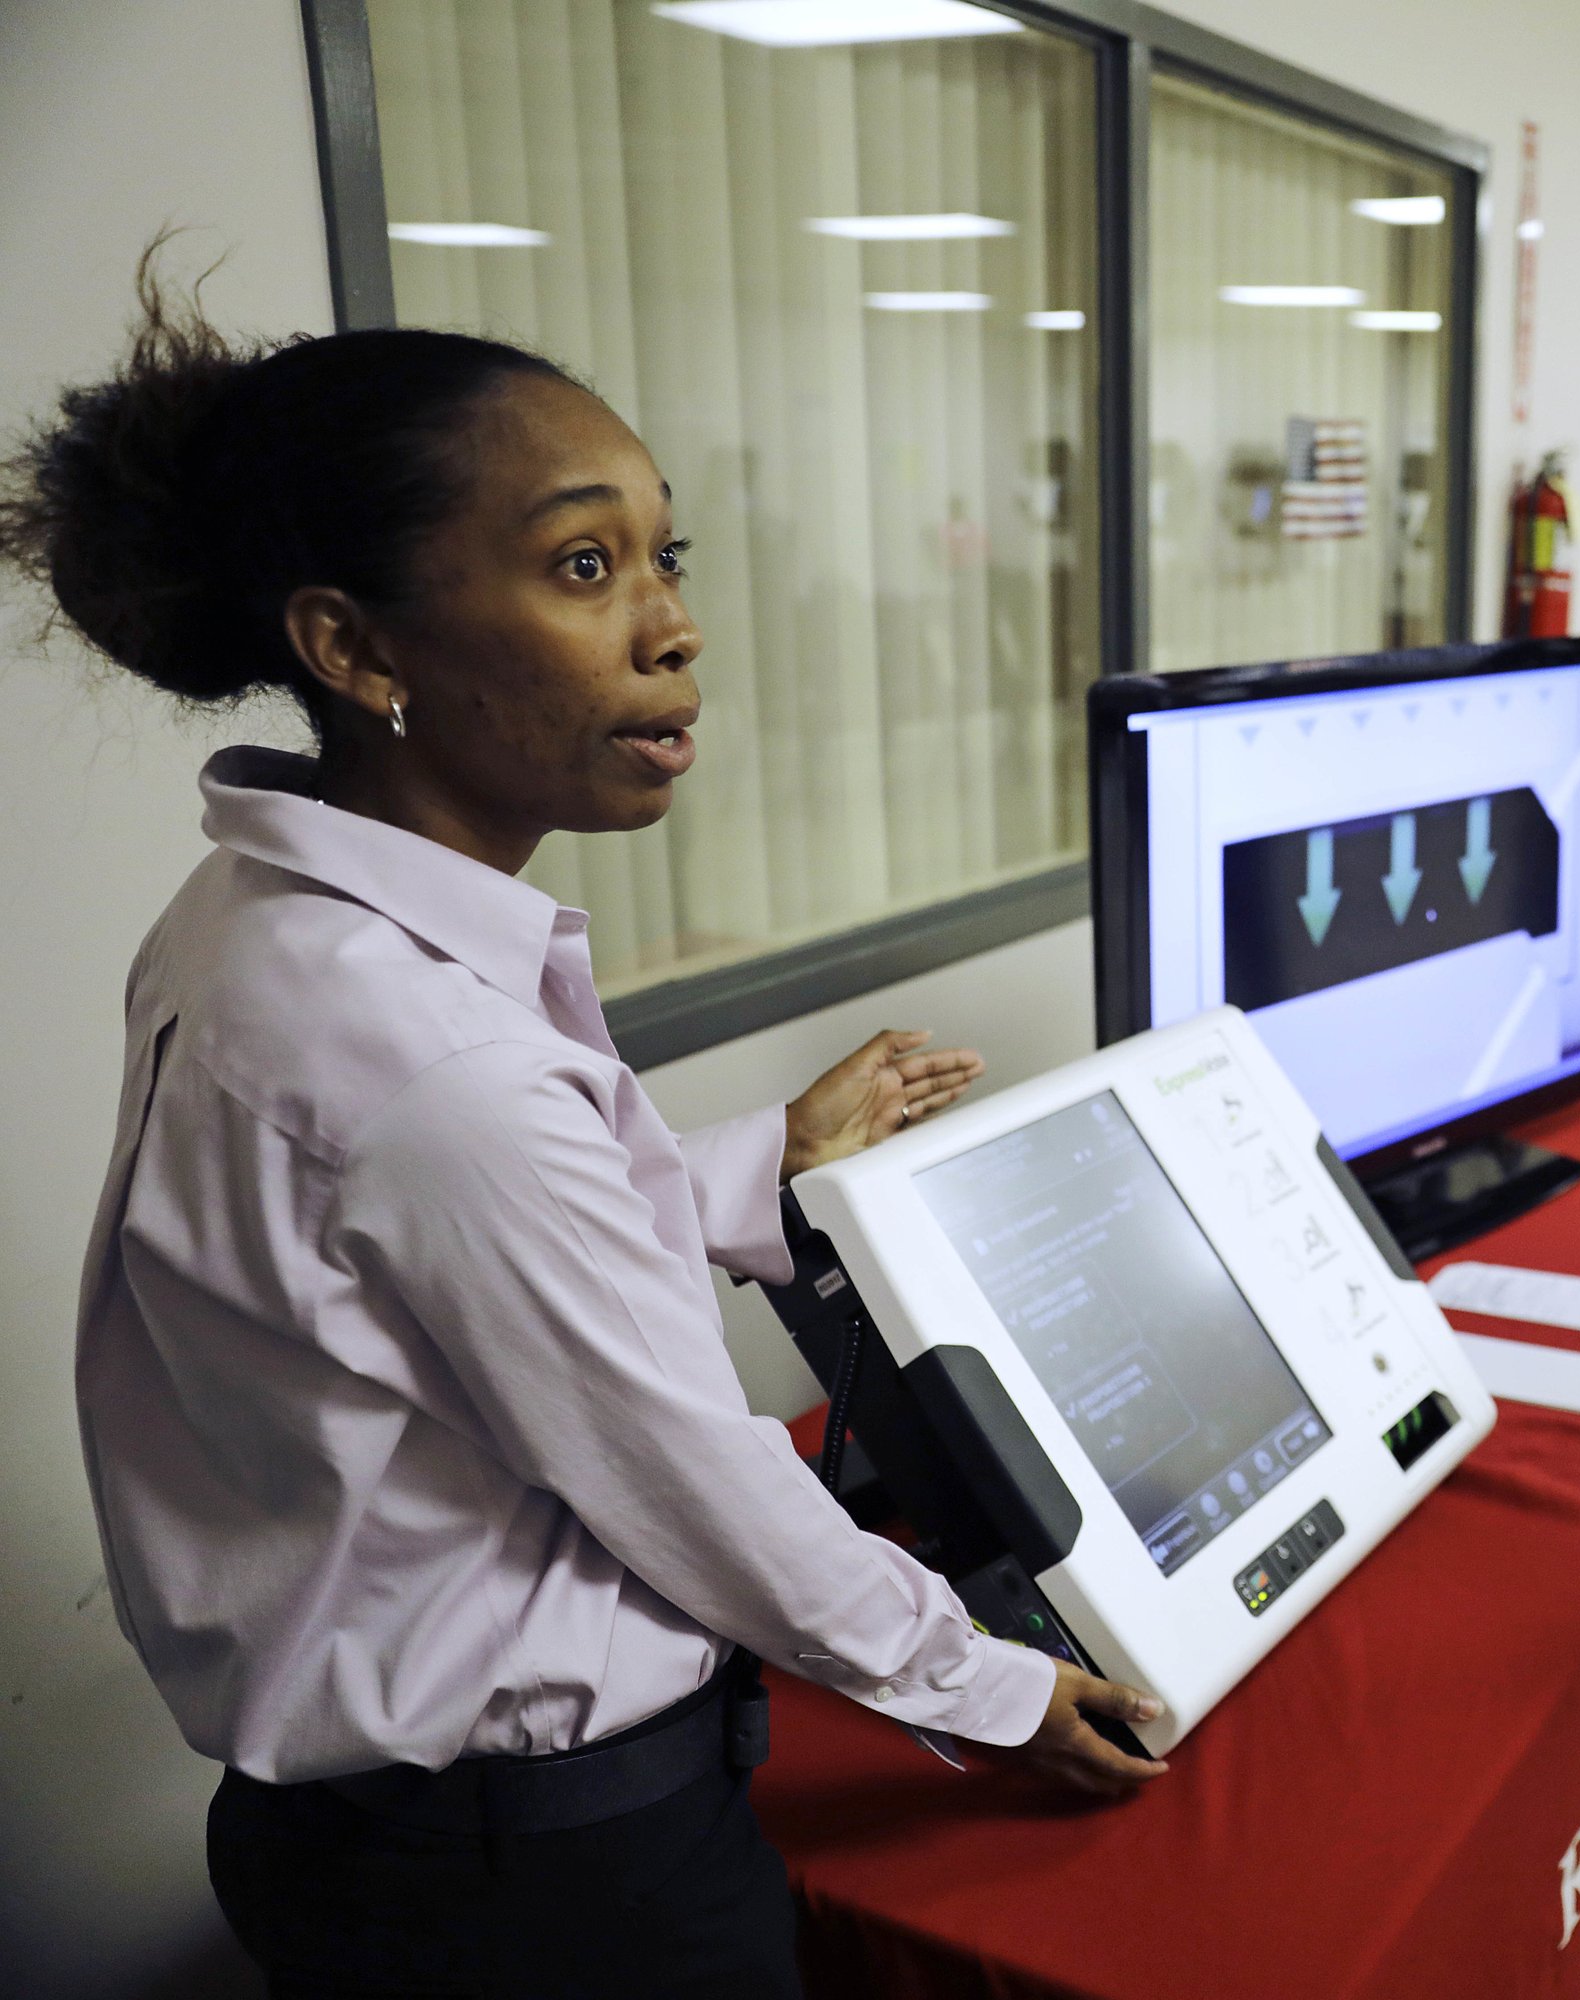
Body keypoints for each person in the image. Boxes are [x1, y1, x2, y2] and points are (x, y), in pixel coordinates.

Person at [0, 259, 1168, 1999]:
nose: (673, 626)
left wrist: (762, 1158)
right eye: (581, 566)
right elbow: (693, 1480)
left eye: (663, 556)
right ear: (353, 645)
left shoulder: (260, 926)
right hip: (546, 1889)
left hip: (371, 1848)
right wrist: (995, 1691)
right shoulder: (430, 1064)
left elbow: (423, 1278)